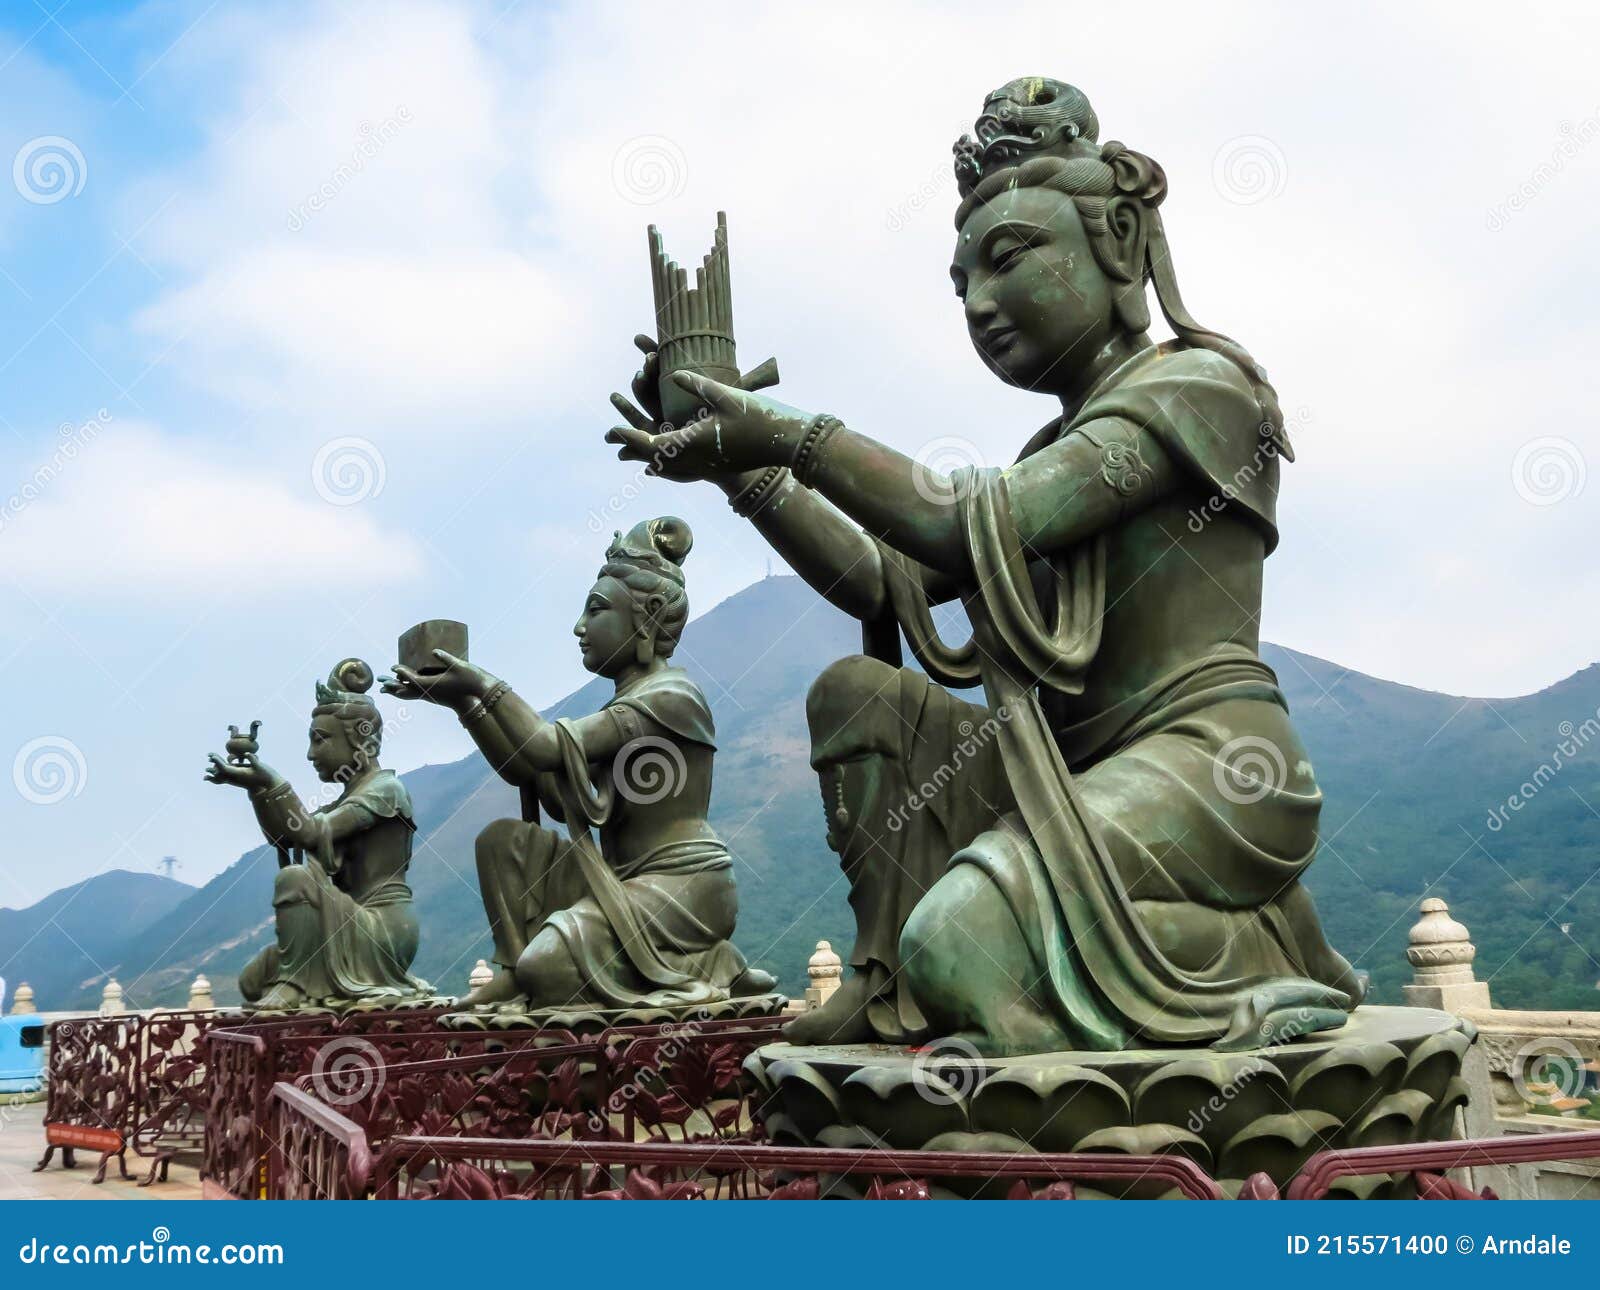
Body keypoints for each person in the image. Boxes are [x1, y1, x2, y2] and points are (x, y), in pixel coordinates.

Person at [605, 78, 1362, 1055]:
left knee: (960, 942)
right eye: (960, 282)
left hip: (1209, 771)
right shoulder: (1054, 452)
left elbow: (968, 524)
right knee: (857, 694)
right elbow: (884, 583)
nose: (978, 301)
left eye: (1007, 260)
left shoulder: (1199, 391)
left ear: (1121, 242)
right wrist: (742, 467)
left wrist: (791, 434)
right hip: (1063, 773)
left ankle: (1240, 959)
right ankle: (890, 978)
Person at [384, 517, 774, 1010]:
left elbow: (544, 746)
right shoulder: (617, 710)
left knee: (547, 968)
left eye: (596, 610)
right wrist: (464, 705)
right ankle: (514, 965)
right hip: (618, 879)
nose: (579, 627)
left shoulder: (671, 697)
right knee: (504, 842)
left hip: (682, 886)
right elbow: (529, 770)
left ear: (648, 615)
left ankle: (709, 960)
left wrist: (483, 684)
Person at [204, 660, 429, 1008]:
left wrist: (274, 782)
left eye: (320, 740)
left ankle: (294, 986)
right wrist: (256, 790)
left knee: (295, 878)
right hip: (340, 923)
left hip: (381, 928)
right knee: (252, 980)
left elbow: (310, 833)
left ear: (360, 736)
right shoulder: (343, 802)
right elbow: (286, 837)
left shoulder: (386, 790)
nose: (311, 754)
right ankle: (293, 983)